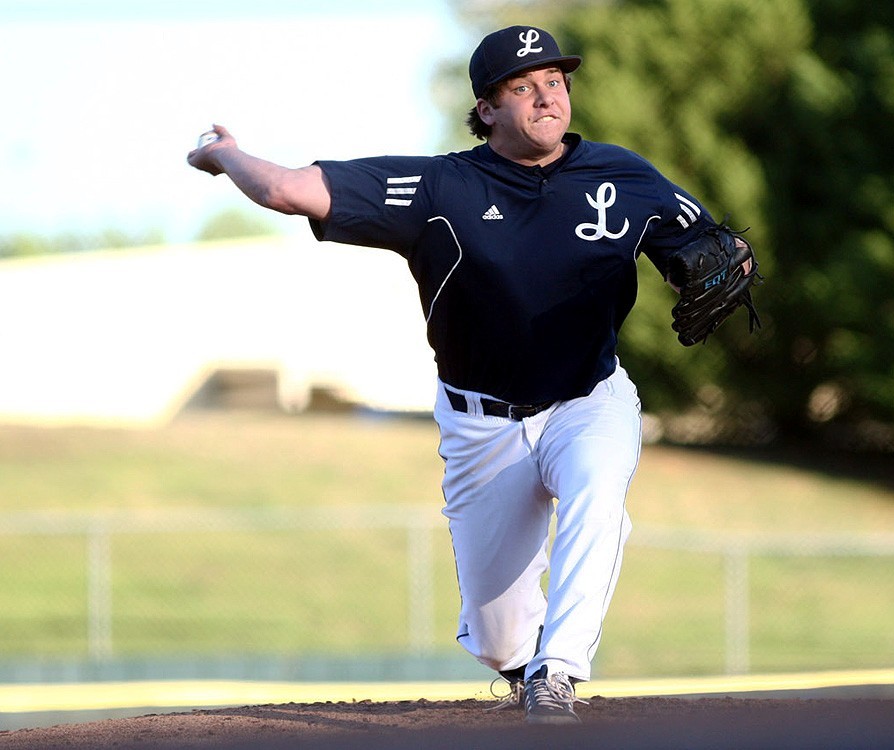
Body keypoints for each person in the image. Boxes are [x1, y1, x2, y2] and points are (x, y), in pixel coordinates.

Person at [188, 25, 719, 725]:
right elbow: (291, 190)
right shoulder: (439, 186)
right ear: (487, 108)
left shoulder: (622, 176)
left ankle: (557, 676)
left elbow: (705, 240)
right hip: (481, 424)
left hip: (589, 399)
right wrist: (227, 155)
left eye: (555, 81)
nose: (545, 95)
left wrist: (718, 256)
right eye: (522, 86)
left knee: (598, 492)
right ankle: (526, 666)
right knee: (498, 635)